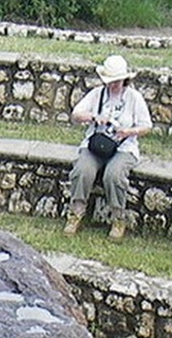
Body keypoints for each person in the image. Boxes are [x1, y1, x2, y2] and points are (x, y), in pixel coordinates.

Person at [64, 54, 152, 242]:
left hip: (123, 147)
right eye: (110, 81)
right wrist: (94, 117)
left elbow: (146, 126)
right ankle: (76, 213)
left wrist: (127, 131)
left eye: (116, 81)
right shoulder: (97, 94)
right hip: (96, 145)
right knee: (82, 170)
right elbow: (76, 114)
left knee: (114, 175)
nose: (113, 85)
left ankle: (118, 218)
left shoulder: (134, 98)